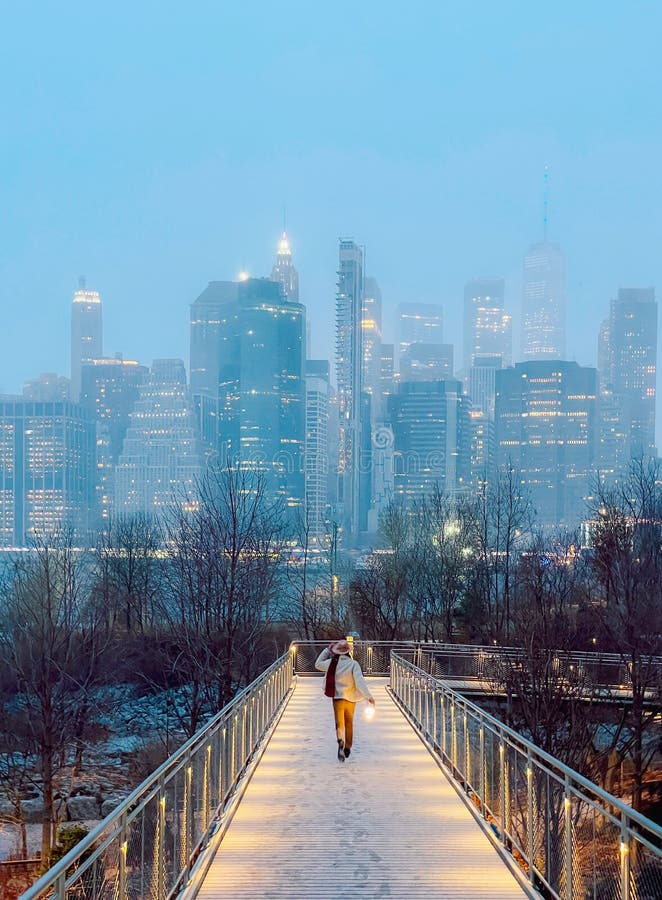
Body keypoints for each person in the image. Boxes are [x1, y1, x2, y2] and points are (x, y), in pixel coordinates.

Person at [315, 639, 375, 762]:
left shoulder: (332, 663)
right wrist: (368, 696)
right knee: (349, 723)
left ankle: (340, 742)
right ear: (348, 652)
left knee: (339, 722)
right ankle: (347, 747)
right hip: (351, 699)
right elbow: (360, 682)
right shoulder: (353, 664)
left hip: (337, 698)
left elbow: (318, 664)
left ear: (335, 652)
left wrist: (327, 650)